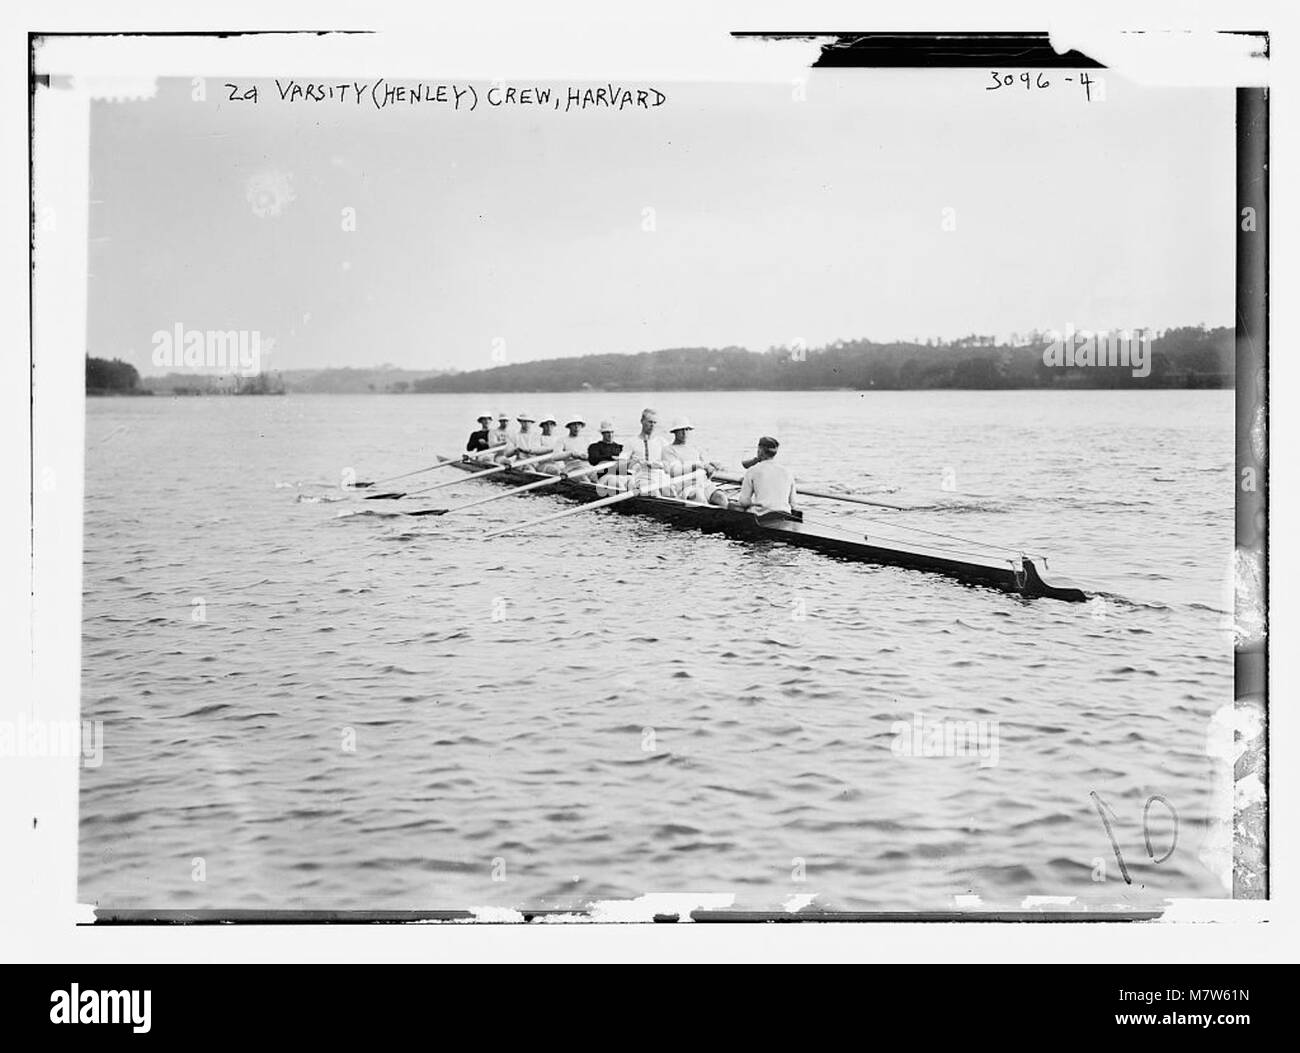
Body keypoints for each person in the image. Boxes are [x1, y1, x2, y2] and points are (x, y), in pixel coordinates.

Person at [662, 417, 728, 506]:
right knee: (700, 499)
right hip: (685, 487)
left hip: (704, 484)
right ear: (675, 432)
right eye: (681, 430)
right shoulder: (668, 450)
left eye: (686, 429)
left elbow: (705, 467)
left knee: (722, 498)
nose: (684, 433)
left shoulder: (695, 448)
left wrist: (712, 468)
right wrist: (696, 466)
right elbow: (674, 471)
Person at [734, 436, 798, 517]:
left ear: (760, 450)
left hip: (762, 517)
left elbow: (744, 502)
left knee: (733, 507)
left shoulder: (752, 470)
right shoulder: (788, 471)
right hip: (785, 514)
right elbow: (793, 504)